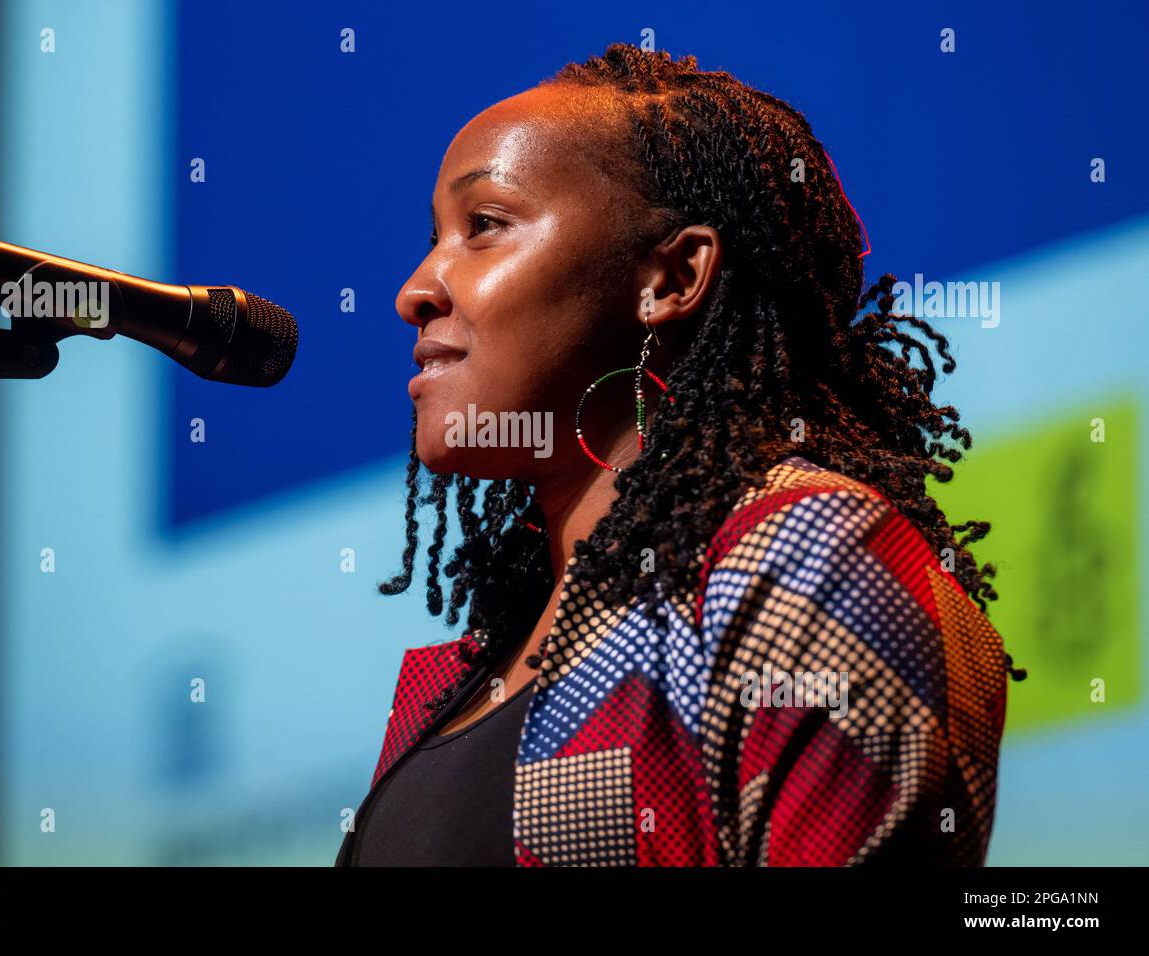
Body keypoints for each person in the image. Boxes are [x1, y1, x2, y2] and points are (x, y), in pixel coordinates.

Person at [335, 43, 1022, 867]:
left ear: (672, 276)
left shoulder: (806, 555)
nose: (417, 288)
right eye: (436, 236)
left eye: (484, 226)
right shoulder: (460, 676)